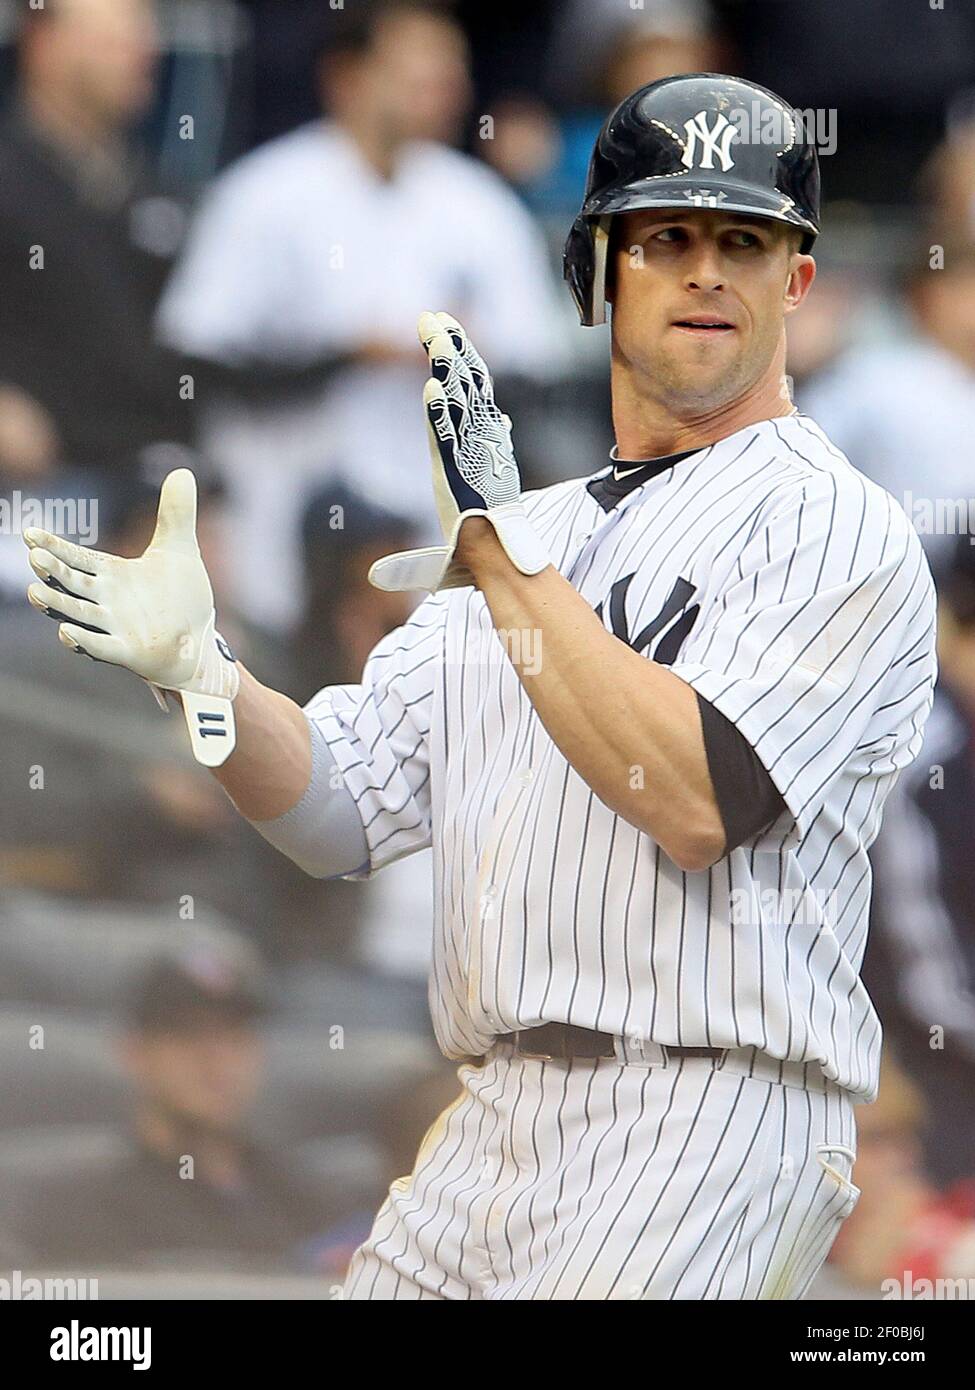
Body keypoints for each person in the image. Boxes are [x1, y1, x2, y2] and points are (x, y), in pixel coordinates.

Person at [23, 75, 937, 1300]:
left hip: (708, 1112)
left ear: (800, 282)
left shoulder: (836, 525)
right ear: (597, 272)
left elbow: (694, 797)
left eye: (745, 239)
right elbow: (338, 811)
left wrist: (503, 554)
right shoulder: (520, 531)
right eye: (667, 236)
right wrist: (208, 675)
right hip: (492, 1109)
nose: (707, 269)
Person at [155, 0, 567, 632]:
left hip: (437, 541)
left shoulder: (480, 204)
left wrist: (462, 363)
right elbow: (193, 365)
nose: (441, 85)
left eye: (448, 68)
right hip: (279, 527)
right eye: (415, 66)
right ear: (347, 76)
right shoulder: (264, 192)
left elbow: (538, 374)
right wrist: (349, 354)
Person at [8, 941, 346, 1272]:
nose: (218, 1060)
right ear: (134, 1053)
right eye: (189, 1036)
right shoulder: (83, 1207)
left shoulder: (306, 1193)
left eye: (235, 1036)